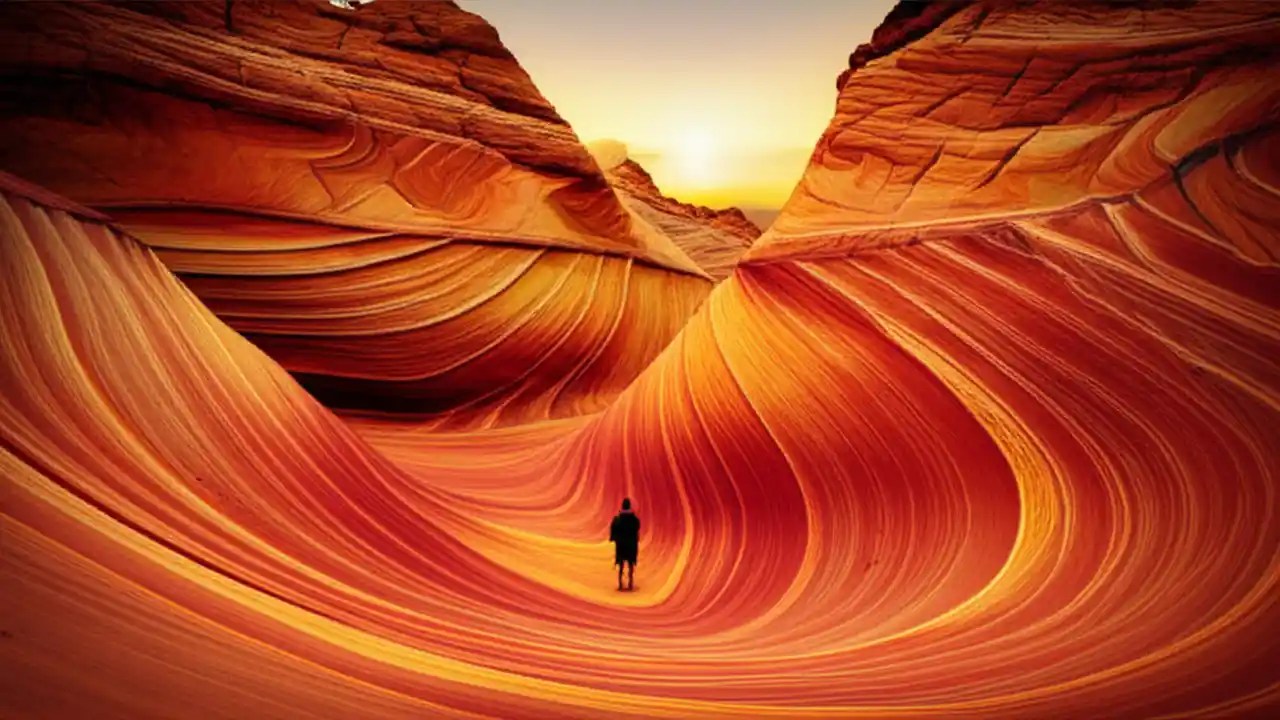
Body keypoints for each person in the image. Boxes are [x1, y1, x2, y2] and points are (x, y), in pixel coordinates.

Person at [609, 498, 640, 591]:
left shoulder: (617, 519)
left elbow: (613, 529)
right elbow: (637, 528)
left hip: (621, 544)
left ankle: (620, 584)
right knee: (630, 563)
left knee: (621, 563)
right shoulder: (634, 519)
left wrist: (613, 538)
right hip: (631, 544)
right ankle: (630, 582)